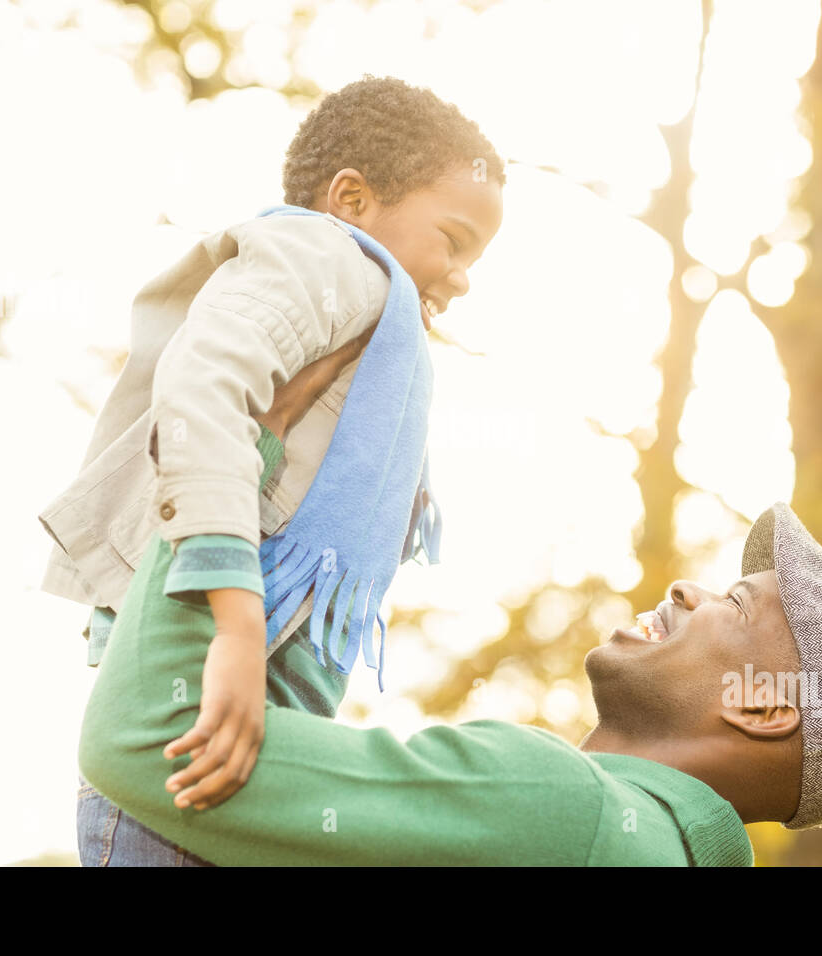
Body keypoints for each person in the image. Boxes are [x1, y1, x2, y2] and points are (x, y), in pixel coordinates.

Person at [78, 436, 822, 865]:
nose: (685, 590)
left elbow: (150, 743)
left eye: (734, 603)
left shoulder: (568, 812)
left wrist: (227, 459)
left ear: (765, 705)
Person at [37, 74, 505, 828]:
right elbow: (205, 391)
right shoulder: (327, 255)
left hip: (244, 724)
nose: (463, 278)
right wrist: (237, 625)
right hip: (197, 705)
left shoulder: (379, 328)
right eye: (454, 241)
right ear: (350, 201)